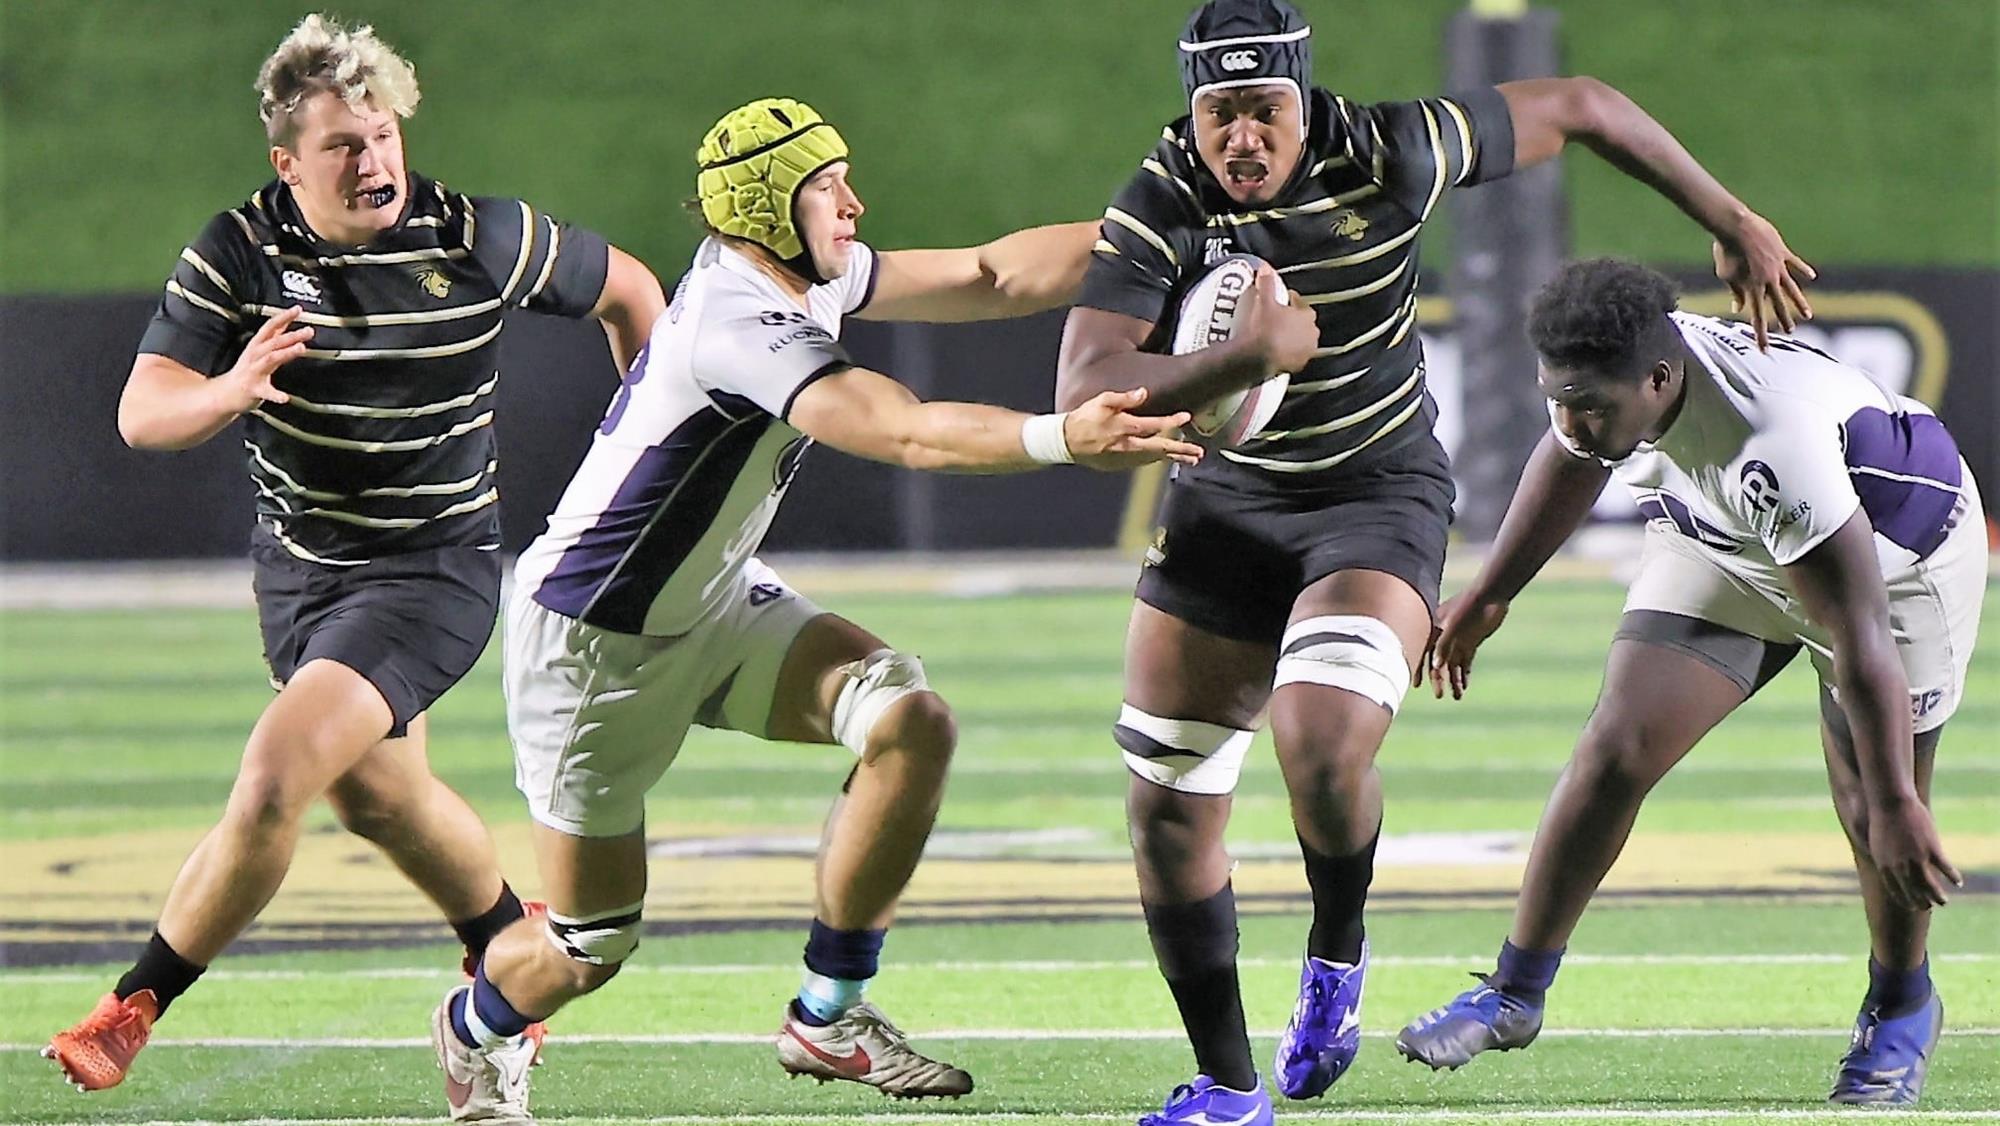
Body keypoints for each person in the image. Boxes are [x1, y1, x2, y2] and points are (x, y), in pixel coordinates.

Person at [1053, 1, 1816, 1121]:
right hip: (1222, 508)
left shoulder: (1389, 148)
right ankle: (1225, 1086)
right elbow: (1083, 391)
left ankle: (1334, 953)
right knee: (1165, 803)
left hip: (1374, 494)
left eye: (1263, 110)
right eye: (1219, 113)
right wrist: (1241, 356)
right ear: (1192, 108)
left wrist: (1729, 215)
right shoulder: (1164, 195)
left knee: (1321, 740)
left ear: (1302, 101)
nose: (1242, 139)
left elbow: (1582, 106)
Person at [427, 96, 1199, 1122]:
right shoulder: (737, 318)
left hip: (708, 602)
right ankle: (473, 1025)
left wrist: (1172, 238)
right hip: (593, 647)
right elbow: (904, 430)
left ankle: (826, 1014)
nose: (853, 204)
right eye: (827, 187)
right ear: (767, 207)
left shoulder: (798, 270)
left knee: (907, 719)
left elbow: (990, 273)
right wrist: (1066, 435)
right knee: (587, 945)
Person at [41, 14, 666, 1093]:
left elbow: (632, 292)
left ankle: (130, 1004)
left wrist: (646, 455)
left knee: (281, 771)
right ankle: (501, 940)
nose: (373, 162)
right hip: (297, 570)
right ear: (288, 165)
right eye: (341, 146)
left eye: (381, 136)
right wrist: (229, 389)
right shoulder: (240, 250)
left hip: (433, 567)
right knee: (376, 797)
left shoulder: (477, 237)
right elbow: (143, 415)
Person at [1396, 259, 1982, 1108]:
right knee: (1616, 747)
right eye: (1558, 397)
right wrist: (1490, 593)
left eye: (1591, 406)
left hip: (1895, 563)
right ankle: (1515, 993)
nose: (1573, 419)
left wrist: (1895, 799)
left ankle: (1902, 1005)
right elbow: (1568, 457)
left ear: (1660, 380)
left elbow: (1858, 634)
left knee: (1873, 813)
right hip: (1726, 532)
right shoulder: (1612, 376)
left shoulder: (1773, 437)